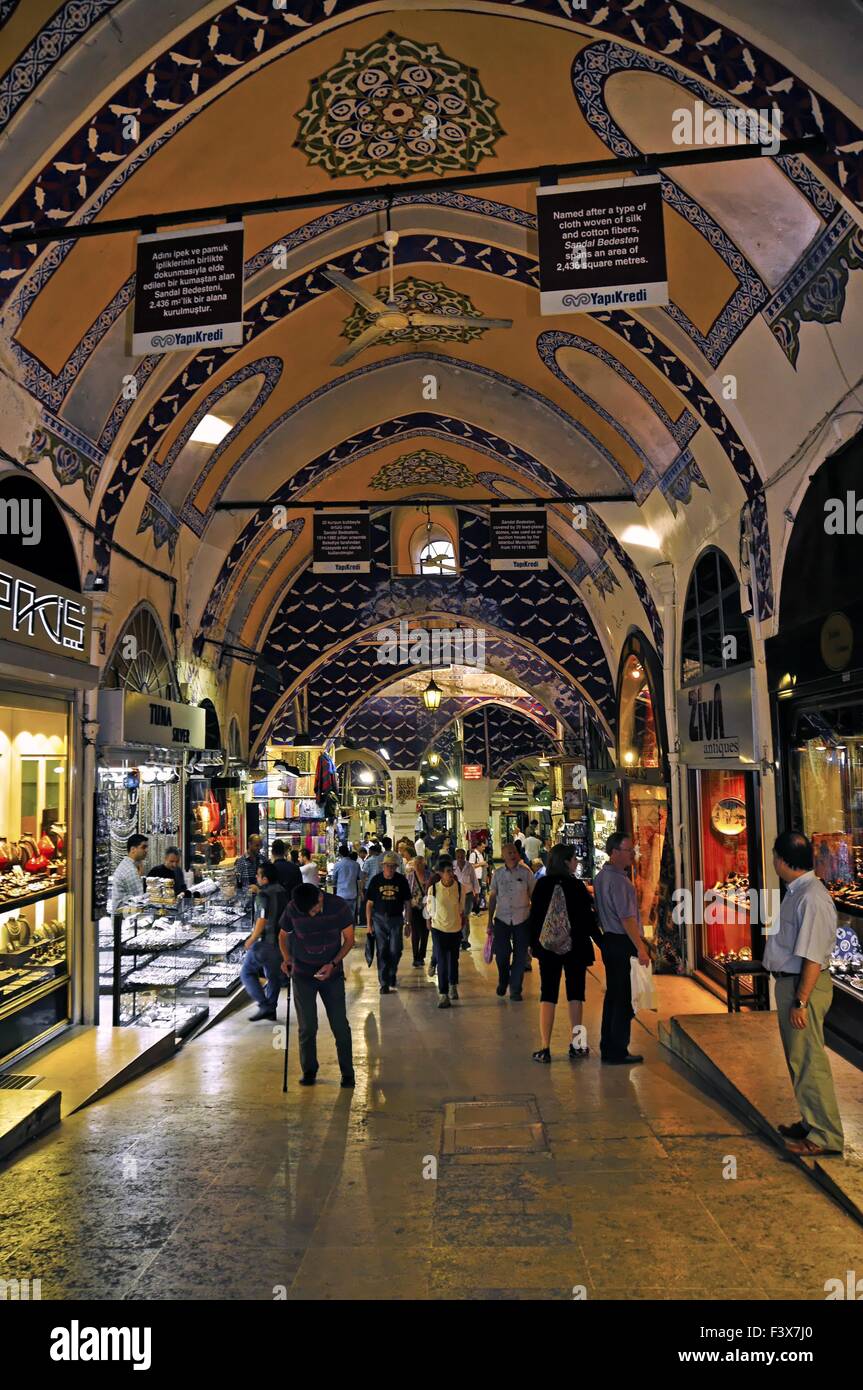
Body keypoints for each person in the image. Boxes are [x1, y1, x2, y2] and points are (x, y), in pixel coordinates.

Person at [764, 831, 844, 1155]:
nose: (773, 862)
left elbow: (812, 956)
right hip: (793, 984)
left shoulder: (812, 896)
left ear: (782, 860)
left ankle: (825, 1134)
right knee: (799, 1059)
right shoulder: (798, 891)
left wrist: (800, 1001)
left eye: (774, 857)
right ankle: (811, 1121)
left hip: (802, 987)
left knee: (810, 1059)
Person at [528, 843, 602, 1062]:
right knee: (576, 993)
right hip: (576, 948)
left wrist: (533, 944)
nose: (577, 862)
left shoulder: (542, 885)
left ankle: (544, 1047)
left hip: (548, 949)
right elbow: (588, 921)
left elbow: (535, 918)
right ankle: (578, 1045)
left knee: (548, 993)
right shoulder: (577, 887)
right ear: (566, 862)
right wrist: (602, 942)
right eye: (574, 859)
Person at [279, 883, 355, 1087]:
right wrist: (286, 958)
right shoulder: (294, 908)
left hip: (332, 975)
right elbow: (283, 935)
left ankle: (348, 1073)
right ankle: (309, 1070)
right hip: (302, 974)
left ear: (320, 898)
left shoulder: (338, 906)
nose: (312, 915)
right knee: (307, 1027)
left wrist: (333, 964)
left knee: (339, 1025)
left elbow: (349, 939)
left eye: (314, 910)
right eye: (308, 912)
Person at [593, 832, 651, 1065]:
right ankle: (618, 1048)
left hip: (610, 940)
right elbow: (627, 918)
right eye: (628, 850)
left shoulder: (601, 878)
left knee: (614, 995)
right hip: (621, 940)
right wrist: (641, 947)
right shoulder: (619, 881)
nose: (632, 855)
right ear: (614, 852)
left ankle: (608, 1046)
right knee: (623, 997)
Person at [240, 862, 288, 1021]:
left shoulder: (263, 895)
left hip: (265, 943)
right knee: (272, 975)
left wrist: (252, 938)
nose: (256, 877)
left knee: (247, 973)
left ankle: (264, 1004)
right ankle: (271, 1009)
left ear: (265, 879)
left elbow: (262, 918)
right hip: (281, 943)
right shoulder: (283, 891)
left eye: (258, 875)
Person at [487, 843, 535, 1001]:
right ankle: (503, 980)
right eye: (509, 853)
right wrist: (489, 921)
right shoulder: (498, 874)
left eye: (514, 852)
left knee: (520, 956)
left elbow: (534, 895)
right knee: (501, 954)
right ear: (503, 856)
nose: (512, 855)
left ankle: (515, 989)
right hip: (502, 918)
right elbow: (493, 897)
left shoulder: (526, 872)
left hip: (522, 919)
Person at [365, 853, 412, 994]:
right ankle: (384, 982)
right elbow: (369, 904)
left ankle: (392, 972)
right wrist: (368, 924)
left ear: (396, 868)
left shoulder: (401, 880)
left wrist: (408, 922)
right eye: (387, 866)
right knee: (382, 950)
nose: (390, 869)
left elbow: (407, 902)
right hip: (379, 919)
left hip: (396, 919)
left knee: (395, 950)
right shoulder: (376, 881)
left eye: (393, 867)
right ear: (383, 867)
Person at [426, 857, 463, 1008]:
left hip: (455, 929)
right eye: (448, 871)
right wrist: (431, 921)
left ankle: (453, 984)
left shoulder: (459, 887)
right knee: (442, 960)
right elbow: (429, 909)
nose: (451, 874)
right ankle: (443, 993)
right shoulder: (433, 889)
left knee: (453, 959)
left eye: (452, 871)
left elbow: (461, 909)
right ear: (440, 873)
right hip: (439, 929)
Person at [407, 854, 435, 967]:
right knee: (415, 933)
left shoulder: (430, 876)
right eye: (416, 864)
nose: (418, 866)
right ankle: (415, 957)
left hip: (427, 908)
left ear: (424, 864)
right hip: (414, 908)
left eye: (420, 863)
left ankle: (422, 955)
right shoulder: (409, 876)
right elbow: (407, 893)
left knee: (425, 932)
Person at [111, 834, 149, 909]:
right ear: (133, 849)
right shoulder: (130, 870)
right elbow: (139, 901)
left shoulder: (127, 864)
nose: (146, 850)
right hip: (124, 916)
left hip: (123, 913)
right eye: (143, 847)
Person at [454, 848, 480, 951]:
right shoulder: (453, 866)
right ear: (456, 857)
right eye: (458, 857)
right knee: (456, 916)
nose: (460, 859)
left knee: (465, 916)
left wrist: (476, 895)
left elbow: (474, 881)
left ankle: (465, 939)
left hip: (468, 895)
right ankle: (457, 938)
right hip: (455, 895)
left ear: (465, 856)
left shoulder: (469, 867)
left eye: (462, 857)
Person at [330, 843, 361, 917]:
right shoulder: (356, 864)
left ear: (340, 854)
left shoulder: (337, 865)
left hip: (341, 894)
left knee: (342, 916)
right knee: (351, 916)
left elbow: (333, 880)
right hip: (352, 894)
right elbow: (359, 877)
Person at [236, 833, 263, 912]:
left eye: (260, 846)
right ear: (249, 844)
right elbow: (238, 883)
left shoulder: (262, 860)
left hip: (260, 901)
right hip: (246, 903)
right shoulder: (241, 861)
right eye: (256, 846)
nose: (259, 848)